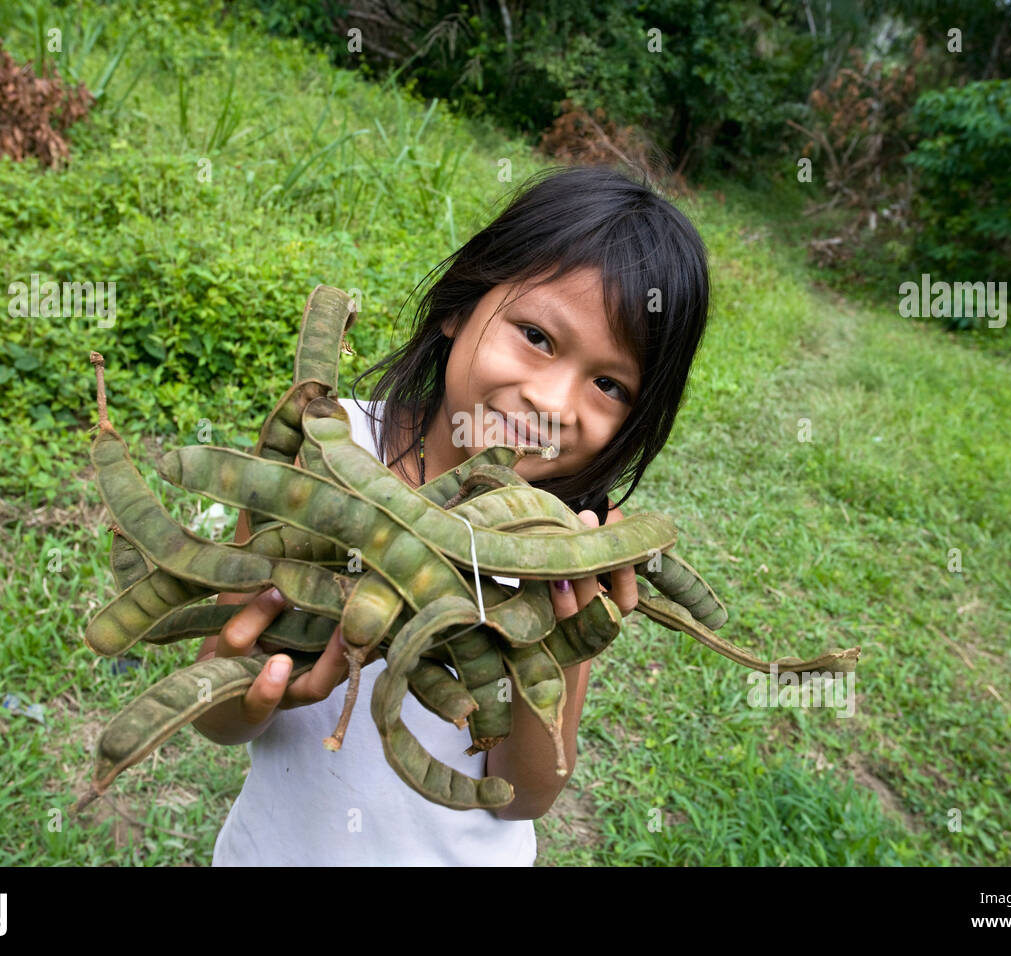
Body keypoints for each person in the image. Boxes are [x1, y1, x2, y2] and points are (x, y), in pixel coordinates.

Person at [197, 164, 711, 865]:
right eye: (537, 335)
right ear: (458, 306)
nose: (553, 402)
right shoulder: (319, 454)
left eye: (609, 383)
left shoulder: (563, 552)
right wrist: (248, 689)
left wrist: (560, 651)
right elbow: (218, 719)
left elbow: (526, 796)